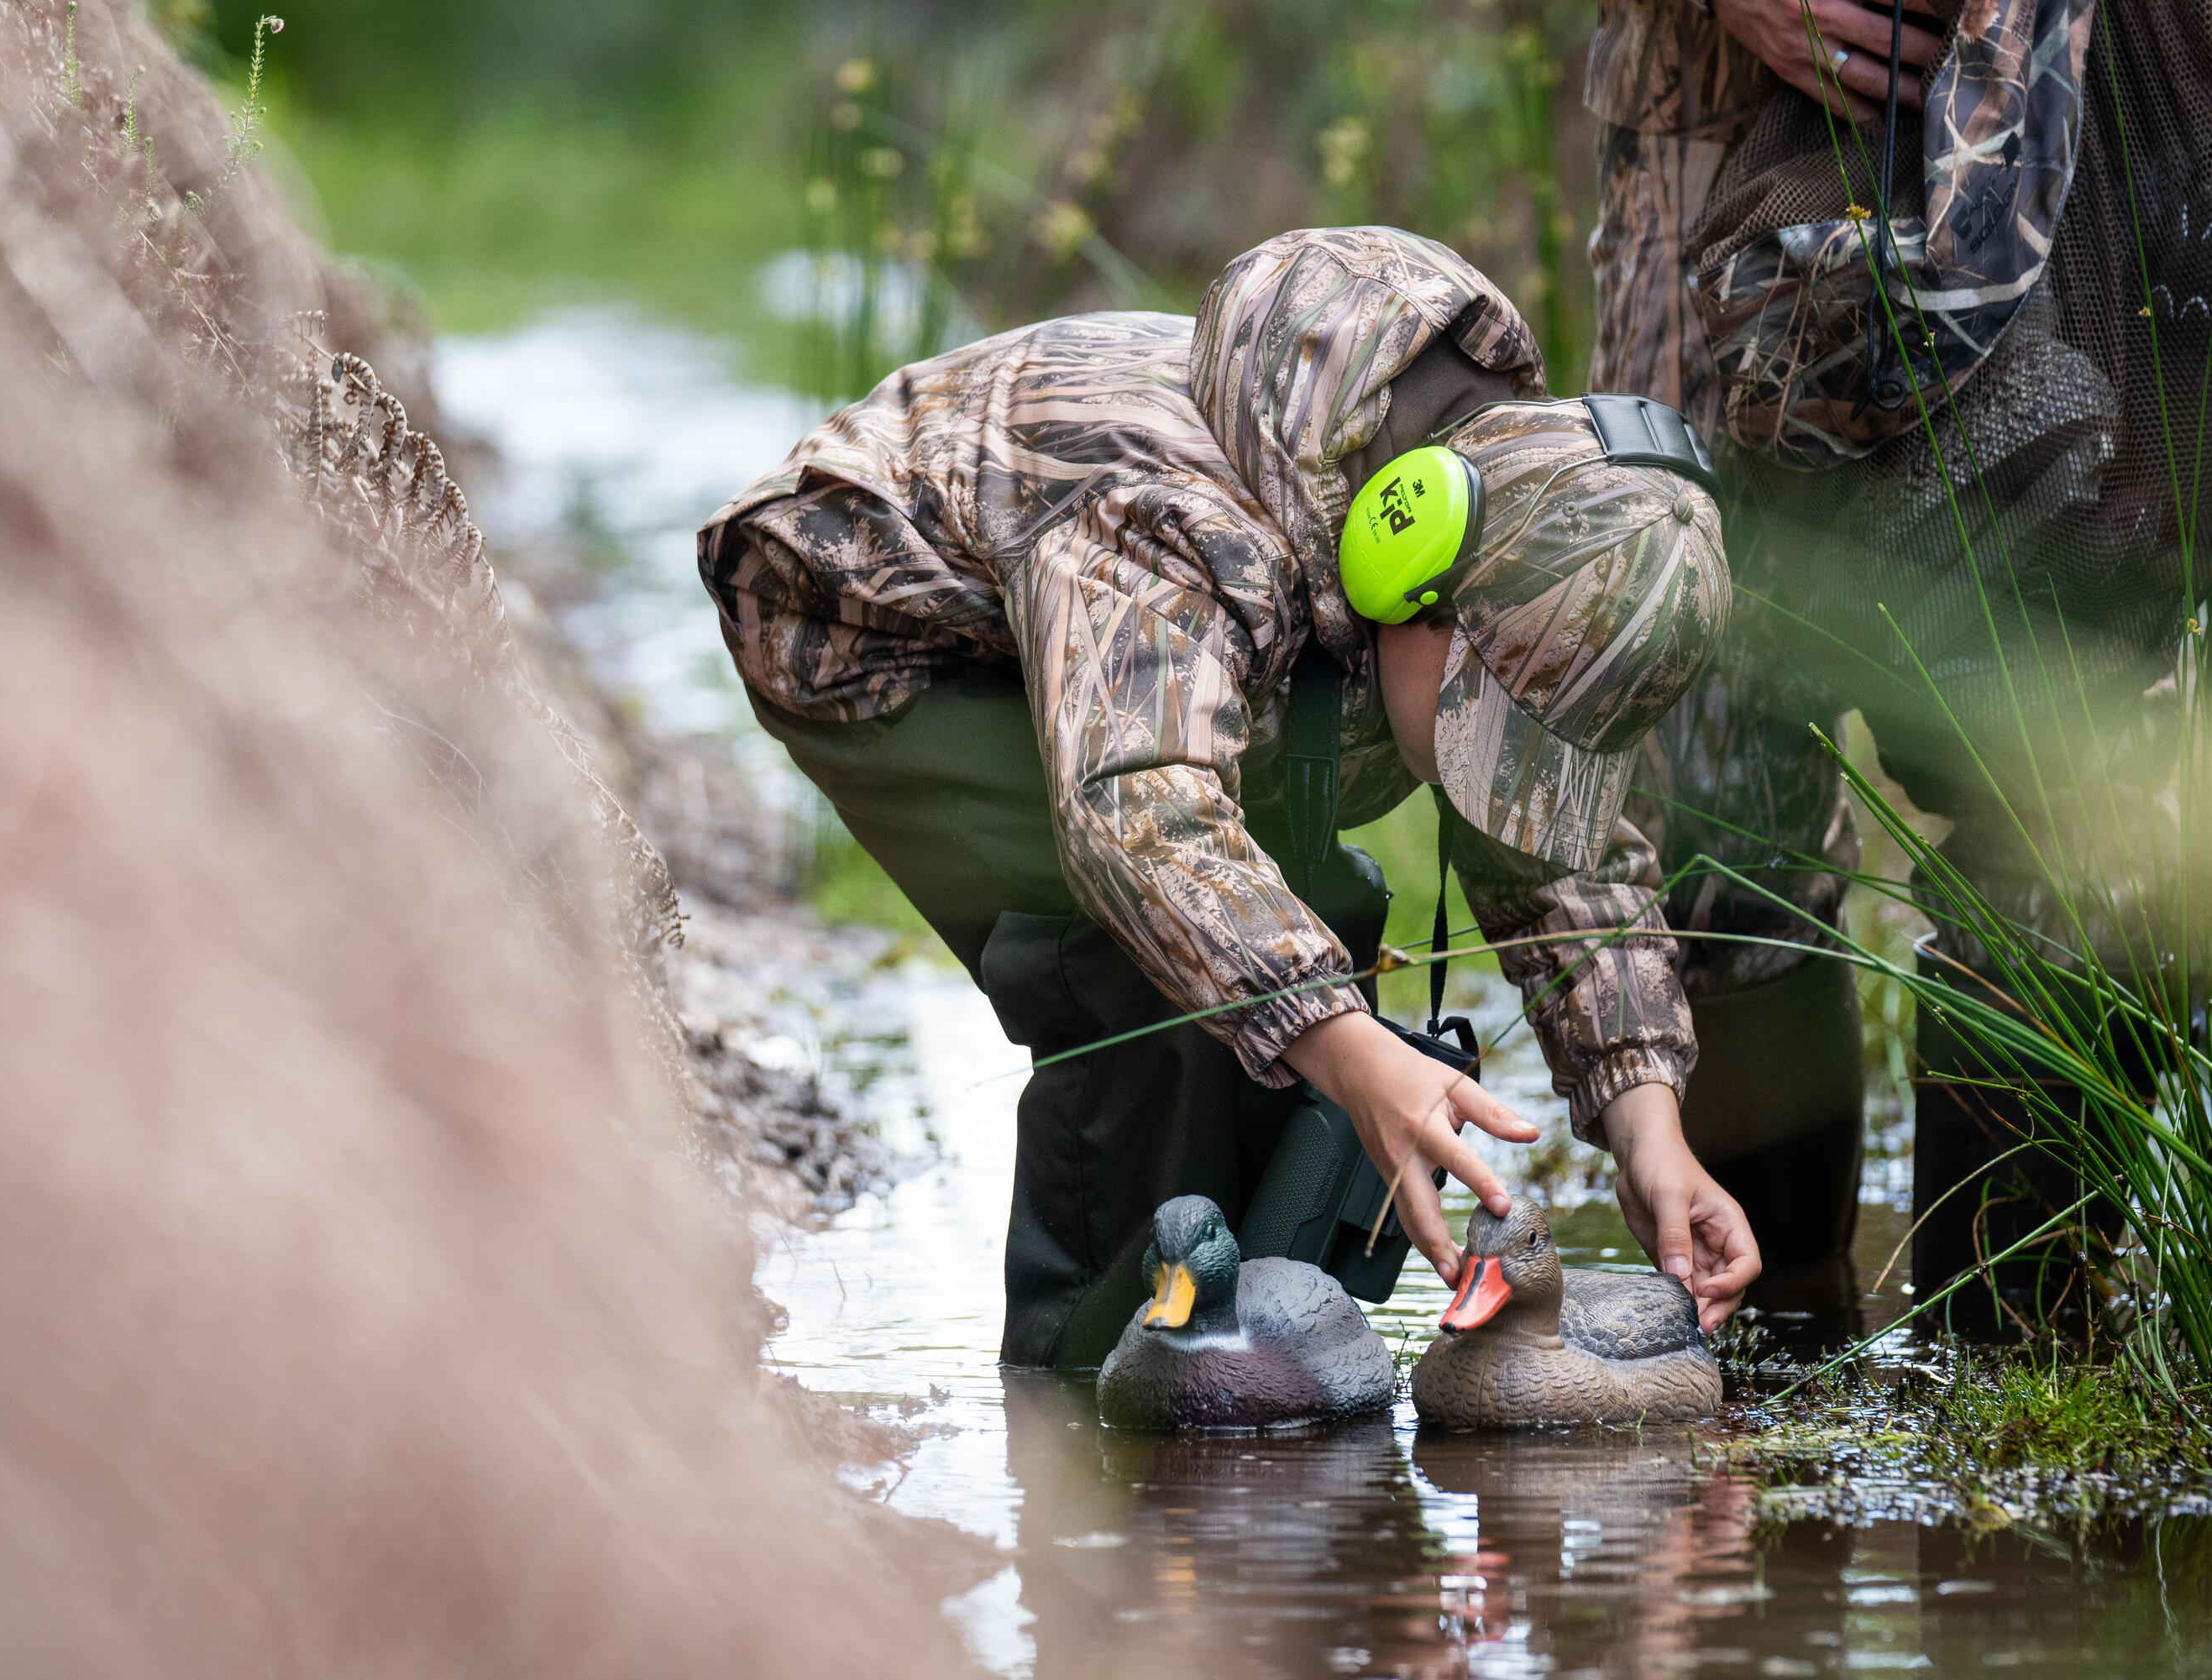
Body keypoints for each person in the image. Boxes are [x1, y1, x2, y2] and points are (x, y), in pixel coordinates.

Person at [700, 227, 1759, 1366]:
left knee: (1313, 933)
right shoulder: (1174, 521)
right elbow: (1141, 818)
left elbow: (1555, 855)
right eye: (1489, 730)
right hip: (882, 633)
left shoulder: (1511, 513)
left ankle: (1245, 1339)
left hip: (1156, 675)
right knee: (1135, 978)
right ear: (1418, 580)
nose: (1488, 780)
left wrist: (1648, 1122)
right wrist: (1351, 1054)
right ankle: (1088, 1394)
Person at [1584, 0, 2212, 1290]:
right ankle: (1757, 1345)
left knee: (2060, 785)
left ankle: (2014, 1363)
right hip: (1723, 134)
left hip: (2104, 130)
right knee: (1704, 776)